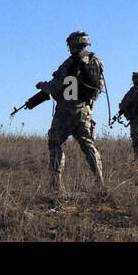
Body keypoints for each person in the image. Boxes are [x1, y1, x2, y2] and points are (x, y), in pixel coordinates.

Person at [36, 31, 105, 190]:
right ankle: (99, 179)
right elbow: (99, 88)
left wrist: (42, 86)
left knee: (55, 142)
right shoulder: (97, 63)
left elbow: (54, 86)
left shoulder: (69, 64)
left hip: (66, 110)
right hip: (86, 110)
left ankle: (56, 183)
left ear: (72, 45)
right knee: (88, 145)